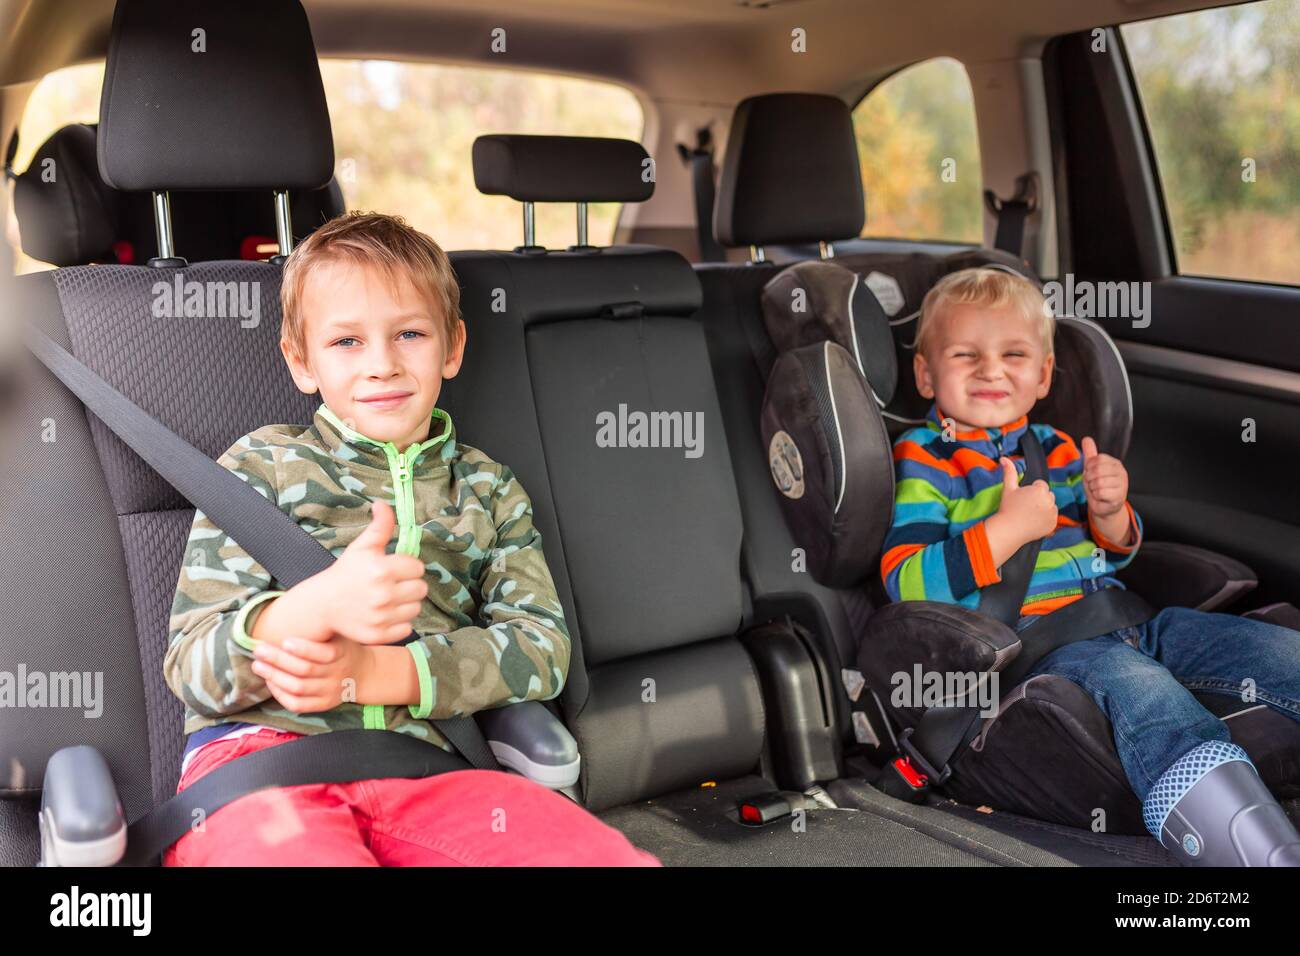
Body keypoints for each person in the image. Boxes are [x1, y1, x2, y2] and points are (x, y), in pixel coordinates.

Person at [164, 211, 658, 866]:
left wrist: (386, 672)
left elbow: (543, 648)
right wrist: (308, 611)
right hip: (262, 767)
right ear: (300, 359)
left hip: (427, 766)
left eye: (410, 334)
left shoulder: (486, 489)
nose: (382, 365)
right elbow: (191, 669)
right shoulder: (260, 469)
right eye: (346, 342)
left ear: (452, 347)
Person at [880, 266, 1300, 866]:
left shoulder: (1055, 447)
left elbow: (1110, 550)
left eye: (1014, 354)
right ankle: (1253, 849)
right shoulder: (925, 460)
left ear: (1044, 373)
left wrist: (1110, 512)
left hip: (1132, 619)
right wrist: (1004, 530)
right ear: (925, 373)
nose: (991, 369)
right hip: (1044, 643)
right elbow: (907, 580)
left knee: (1269, 651)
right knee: (1151, 700)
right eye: (965, 354)